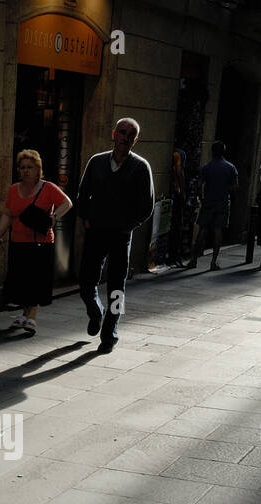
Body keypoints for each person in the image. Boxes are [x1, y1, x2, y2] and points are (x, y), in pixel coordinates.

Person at [74, 117, 155, 352]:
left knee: (117, 287)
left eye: (131, 135)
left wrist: (128, 225)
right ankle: (95, 311)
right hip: (96, 232)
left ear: (135, 140)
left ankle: (110, 334)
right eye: (122, 133)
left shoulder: (141, 167)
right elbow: (83, 193)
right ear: (114, 134)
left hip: (120, 236)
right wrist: (86, 218)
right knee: (86, 283)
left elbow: (147, 205)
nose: (125, 138)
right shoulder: (97, 162)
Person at [0, 149, 72, 332]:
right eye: (22, 167)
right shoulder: (14, 190)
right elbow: (8, 215)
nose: (25, 171)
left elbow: (67, 203)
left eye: (30, 167)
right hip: (18, 241)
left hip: (40, 243)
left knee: (36, 280)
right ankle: (23, 314)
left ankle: (32, 316)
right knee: (21, 280)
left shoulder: (48, 188)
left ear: (38, 169)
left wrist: (53, 218)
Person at [187, 140, 239, 271]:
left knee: (202, 230)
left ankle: (193, 260)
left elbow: (199, 186)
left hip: (208, 202)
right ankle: (213, 262)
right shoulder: (230, 167)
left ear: (212, 152)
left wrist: (201, 198)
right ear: (224, 152)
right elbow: (234, 188)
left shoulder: (206, 167)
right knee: (218, 231)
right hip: (222, 202)